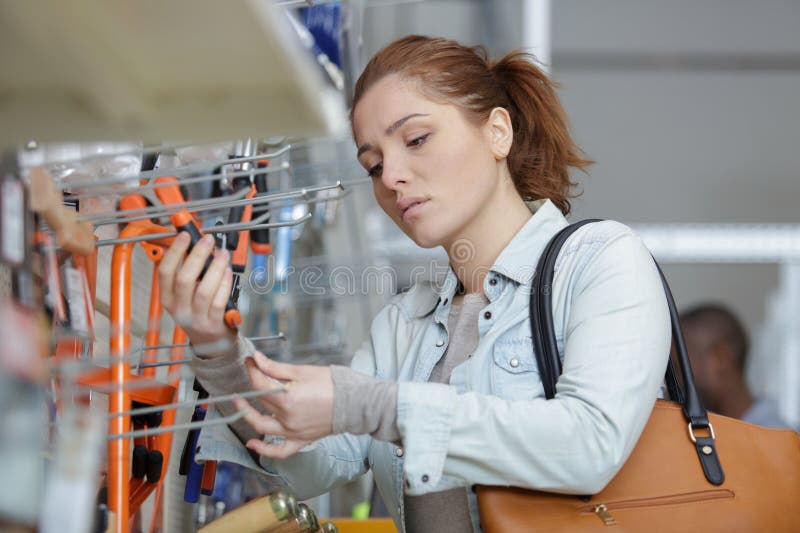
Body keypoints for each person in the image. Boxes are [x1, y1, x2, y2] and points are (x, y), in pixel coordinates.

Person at [157, 35, 671, 532]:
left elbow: (590, 446)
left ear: (498, 132)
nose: (391, 177)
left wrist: (372, 404)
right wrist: (218, 351)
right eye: (373, 165)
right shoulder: (404, 324)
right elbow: (313, 465)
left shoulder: (599, 263)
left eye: (417, 139)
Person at [680, 303, 791, 429]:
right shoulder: (718, 435)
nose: (673, 384)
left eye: (679, 368)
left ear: (719, 360)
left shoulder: (775, 442)